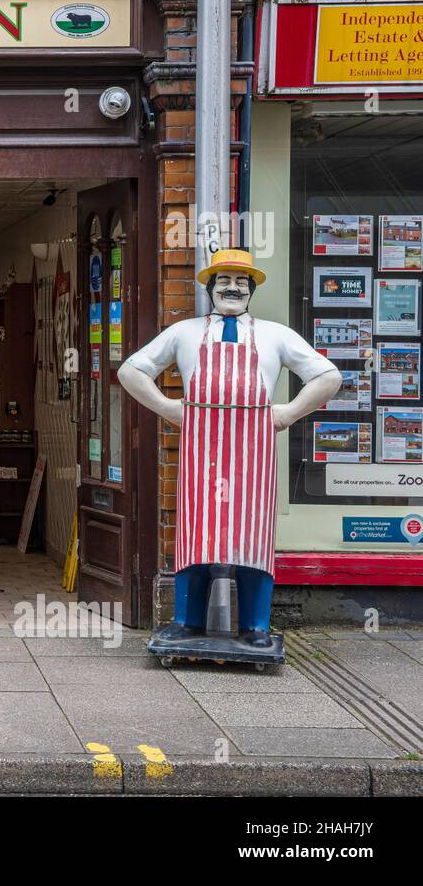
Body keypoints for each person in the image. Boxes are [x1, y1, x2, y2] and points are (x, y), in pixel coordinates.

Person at [117, 248, 341, 649]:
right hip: (201, 451)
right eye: (224, 280)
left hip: (254, 453)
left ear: (251, 289)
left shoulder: (276, 334)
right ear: (210, 287)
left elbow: (327, 376)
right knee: (196, 533)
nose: (232, 288)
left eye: (241, 281)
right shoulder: (184, 332)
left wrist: (287, 414)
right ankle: (185, 622)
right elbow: (131, 369)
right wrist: (169, 408)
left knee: (253, 536)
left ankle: (256, 626)